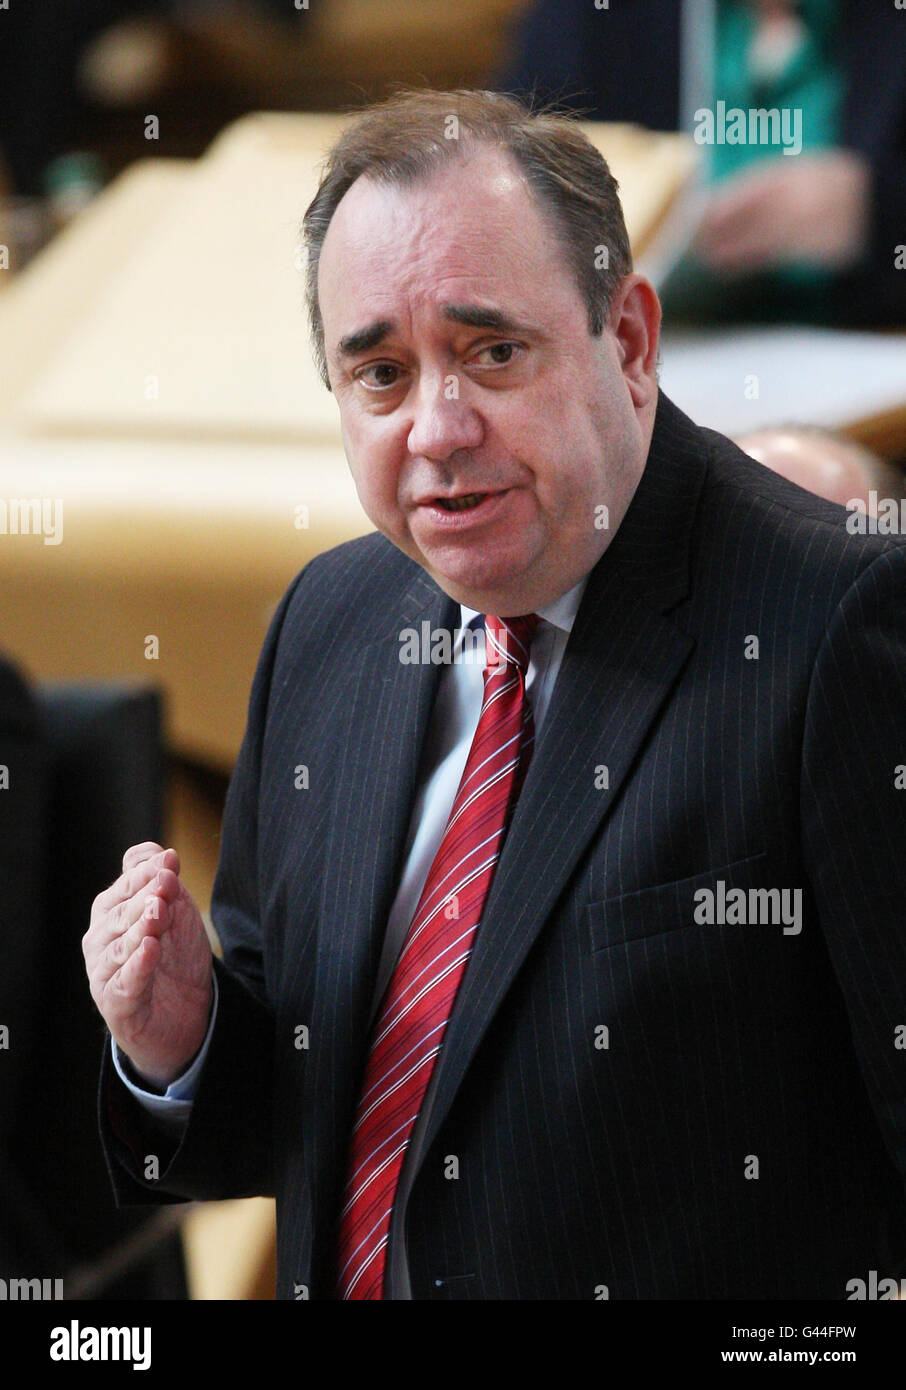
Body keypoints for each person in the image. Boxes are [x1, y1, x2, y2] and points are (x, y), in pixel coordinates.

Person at [84, 88, 906, 1301]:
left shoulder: (837, 626)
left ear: (627, 340)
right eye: (379, 373)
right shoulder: (329, 624)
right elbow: (326, 1118)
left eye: (492, 352)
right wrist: (186, 1044)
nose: (438, 428)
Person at [496, 0, 906, 327]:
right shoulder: (595, 14)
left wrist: (875, 214)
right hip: (660, 363)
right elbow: (503, 167)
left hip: (867, 360)